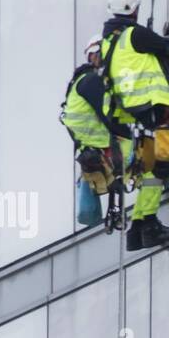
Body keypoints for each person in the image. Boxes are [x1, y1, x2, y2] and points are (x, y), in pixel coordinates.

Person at [99, 0, 169, 252]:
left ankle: (138, 230)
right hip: (156, 111)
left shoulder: (108, 42)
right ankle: (147, 224)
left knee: (150, 169)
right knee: (163, 165)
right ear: (134, 10)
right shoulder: (135, 35)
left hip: (132, 117)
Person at [60, 36, 132, 232]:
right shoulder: (91, 81)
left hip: (94, 148)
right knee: (145, 155)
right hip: (103, 146)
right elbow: (108, 114)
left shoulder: (81, 83)